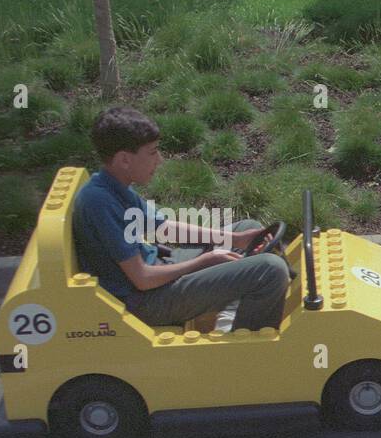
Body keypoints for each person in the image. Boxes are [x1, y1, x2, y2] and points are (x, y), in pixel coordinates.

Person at [72, 106, 290, 332]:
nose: (160, 160)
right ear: (125, 159)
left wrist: (236, 238)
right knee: (270, 271)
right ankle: (246, 356)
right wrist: (204, 261)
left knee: (249, 228)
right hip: (146, 302)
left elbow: (164, 228)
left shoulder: (111, 186)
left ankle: (236, 312)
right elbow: (142, 279)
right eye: (153, 152)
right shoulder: (99, 202)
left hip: (158, 271)